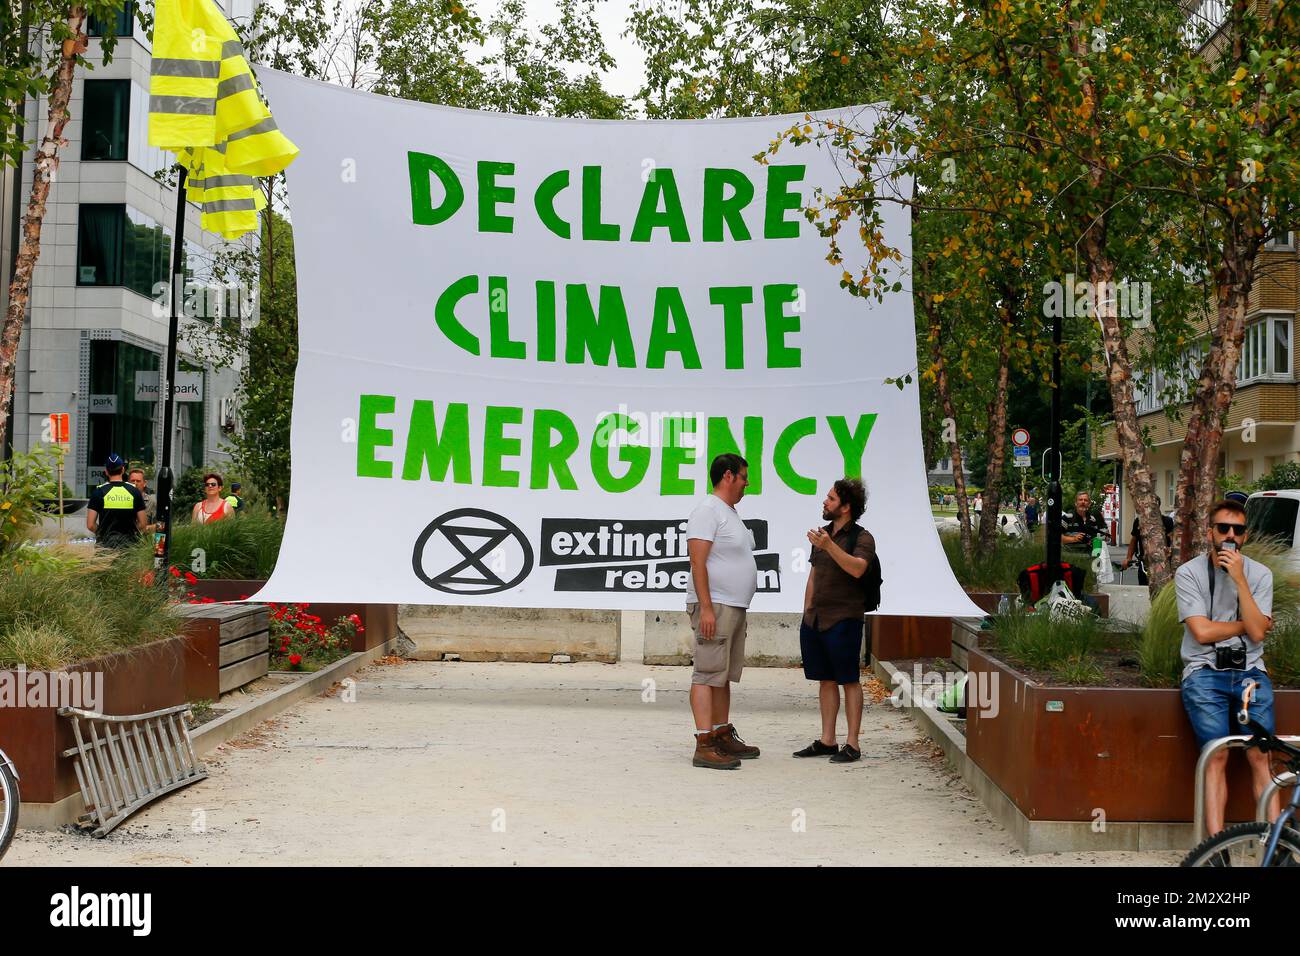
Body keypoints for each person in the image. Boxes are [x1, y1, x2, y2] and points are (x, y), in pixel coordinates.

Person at [1175, 498, 1278, 837]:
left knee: (1261, 756)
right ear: (1211, 532)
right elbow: (1202, 632)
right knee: (1216, 754)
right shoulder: (1189, 573)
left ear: (1245, 536)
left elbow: (1259, 633)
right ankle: (1216, 848)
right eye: (1223, 529)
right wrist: (1249, 625)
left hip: (1250, 672)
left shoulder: (1260, 575)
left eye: (1238, 530)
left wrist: (1240, 581)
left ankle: (1274, 844)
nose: (1230, 536)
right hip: (1204, 673)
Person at [685, 453, 759, 770]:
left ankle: (720, 732)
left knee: (722, 674)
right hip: (714, 604)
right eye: (743, 477)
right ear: (727, 476)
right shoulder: (707, 511)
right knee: (706, 673)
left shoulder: (729, 513)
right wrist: (706, 609)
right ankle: (704, 743)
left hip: (731, 605)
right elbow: (697, 561)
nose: (746, 483)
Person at [794, 477, 874, 763]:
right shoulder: (823, 535)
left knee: (849, 680)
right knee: (825, 680)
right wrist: (806, 611)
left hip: (844, 619)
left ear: (845, 506)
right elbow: (814, 575)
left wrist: (830, 547)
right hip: (816, 619)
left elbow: (857, 569)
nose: (824, 502)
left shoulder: (862, 537)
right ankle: (828, 740)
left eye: (830, 499)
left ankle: (852, 744)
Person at [85, 453, 146, 548]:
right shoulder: (134, 492)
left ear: (106, 471)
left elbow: (90, 525)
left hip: (105, 548)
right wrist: (130, 534)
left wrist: (103, 533)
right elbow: (143, 524)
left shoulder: (99, 492)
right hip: (129, 547)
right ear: (123, 470)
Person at [1123, 496, 1174, 585]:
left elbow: (1173, 540)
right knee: (1143, 590)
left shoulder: (1167, 521)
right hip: (1144, 562)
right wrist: (1128, 558)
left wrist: (1171, 553)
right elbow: (1134, 540)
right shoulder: (1139, 521)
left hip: (1163, 563)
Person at [1060, 490, 1108, 556]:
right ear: (1076, 503)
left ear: (1089, 504)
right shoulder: (1067, 517)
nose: (1083, 502)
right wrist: (1073, 539)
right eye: (1080, 500)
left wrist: (1097, 538)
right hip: (1070, 557)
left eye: (1085, 500)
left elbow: (1099, 536)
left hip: (1088, 558)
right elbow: (1056, 536)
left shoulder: (1093, 519)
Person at [128, 467, 159, 536]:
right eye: (132, 481)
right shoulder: (122, 500)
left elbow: (161, 525)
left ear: (145, 483)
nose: (135, 484)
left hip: (145, 544)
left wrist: (159, 546)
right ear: (128, 483)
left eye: (138, 481)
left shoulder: (152, 501)